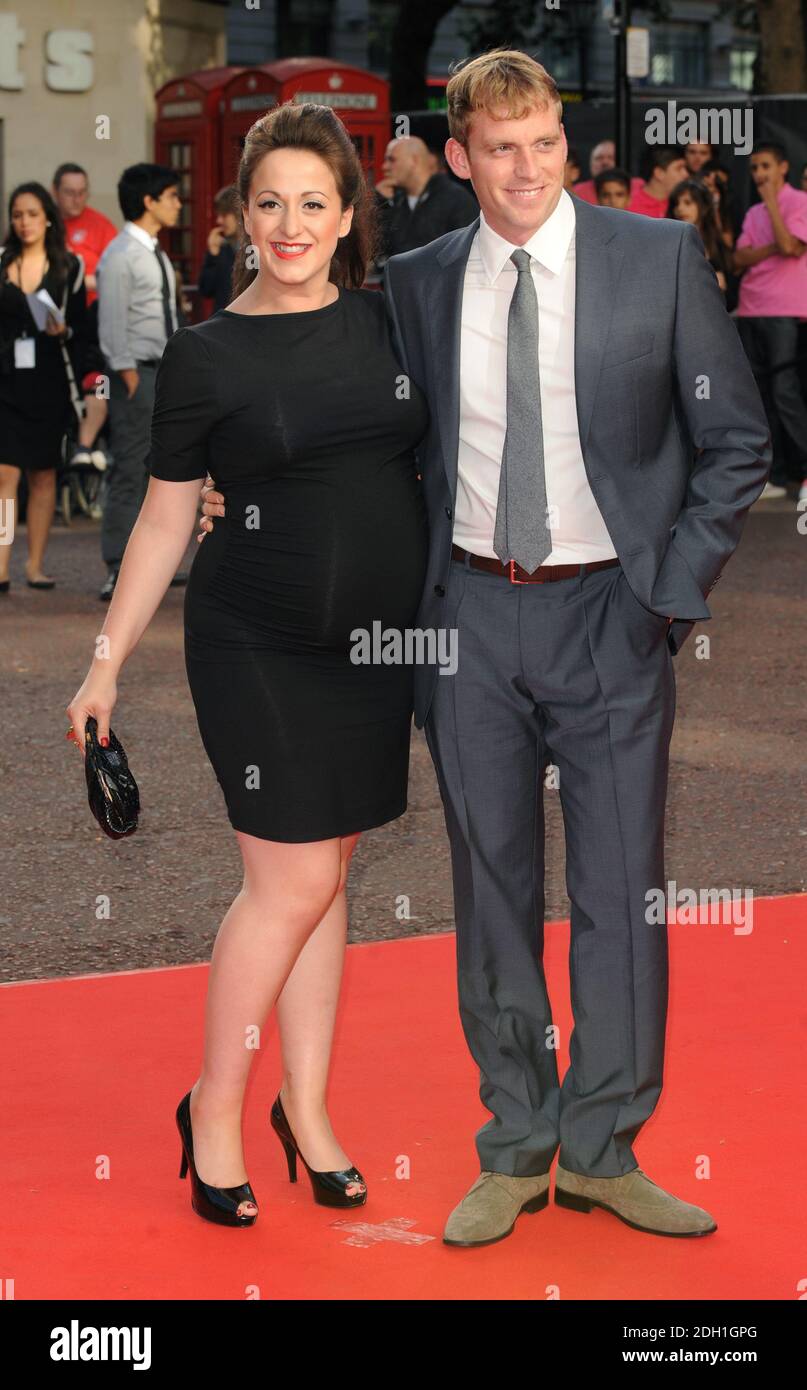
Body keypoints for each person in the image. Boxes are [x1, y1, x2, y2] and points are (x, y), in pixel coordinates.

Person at [201, 47, 771, 1248]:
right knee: (491, 892)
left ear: (567, 145)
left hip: (615, 609)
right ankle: (515, 1143)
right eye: (498, 148)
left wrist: (669, 594)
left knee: (622, 893)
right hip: (465, 617)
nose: (526, 168)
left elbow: (735, 443)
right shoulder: (415, 282)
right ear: (459, 159)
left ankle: (607, 1149)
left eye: (545, 143)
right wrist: (222, 479)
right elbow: (338, 409)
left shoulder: (656, 259)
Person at [65, 100, 430, 1229]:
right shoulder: (206, 353)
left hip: (373, 653)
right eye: (268, 201)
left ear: (346, 215)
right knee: (292, 882)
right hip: (254, 645)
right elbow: (168, 523)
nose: (290, 222)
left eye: (312, 203)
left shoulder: (392, 325)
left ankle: (306, 1111)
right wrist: (105, 661)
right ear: (236, 216)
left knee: (329, 880)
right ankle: (214, 1106)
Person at [95, 164, 184, 601]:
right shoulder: (120, 254)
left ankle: (153, 564)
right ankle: (116, 565)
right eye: (170, 195)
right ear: (148, 201)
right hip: (138, 374)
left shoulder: (155, 252)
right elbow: (110, 323)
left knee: (160, 470)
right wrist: (126, 373)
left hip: (162, 372)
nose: (177, 203)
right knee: (129, 466)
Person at [0, 182, 87, 592]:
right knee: (4, 474)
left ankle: (34, 566)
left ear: (48, 217)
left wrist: (63, 329)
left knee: (43, 475)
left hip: (49, 380)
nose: (24, 222)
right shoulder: (1, 263)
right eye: (17, 215)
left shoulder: (69, 266)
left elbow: (83, 331)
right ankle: (0, 567)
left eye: (32, 214)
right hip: (5, 380)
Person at [733, 141, 807, 505]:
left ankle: (803, 471)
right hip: (750, 309)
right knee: (760, 398)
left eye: (765, 166)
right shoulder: (753, 212)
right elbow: (739, 258)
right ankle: (775, 475)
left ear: (782, 168)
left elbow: (791, 246)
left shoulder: (800, 202)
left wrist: (774, 206)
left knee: (786, 393)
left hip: (785, 311)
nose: (759, 174)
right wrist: (772, 248)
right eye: (754, 168)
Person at [52, 162, 117, 474]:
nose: (76, 200)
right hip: (44, 326)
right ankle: (6, 526)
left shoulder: (101, 226)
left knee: (96, 384)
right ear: (55, 193)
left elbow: (112, 278)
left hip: (88, 325)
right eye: (69, 193)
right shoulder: (45, 226)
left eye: (82, 193)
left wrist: (79, 281)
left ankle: (85, 446)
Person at [373, 135, 478, 262]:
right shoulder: (394, 200)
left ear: (414, 161)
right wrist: (380, 203)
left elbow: (468, 255)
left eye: (392, 160)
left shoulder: (457, 199)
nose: (384, 166)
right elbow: (377, 250)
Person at [668, 177, 733, 300]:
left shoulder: (717, 244)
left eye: (688, 202)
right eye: (676, 204)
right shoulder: (667, 243)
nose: (680, 208)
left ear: (703, 206)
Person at [197, 185, 240, 315]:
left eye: (224, 215)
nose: (219, 220)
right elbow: (206, 290)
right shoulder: (221, 248)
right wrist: (213, 254)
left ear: (238, 213)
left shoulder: (257, 248)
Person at [571, 139, 643, 205]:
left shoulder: (639, 186)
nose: (605, 162)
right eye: (599, 158)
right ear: (590, 163)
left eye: (610, 157)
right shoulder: (577, 191)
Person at [628, 146, 689, 217]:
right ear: (659, 173)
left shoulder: (682, 205)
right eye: (679, 168)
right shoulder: (627, 203)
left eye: (685, 168)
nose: (686, 174)